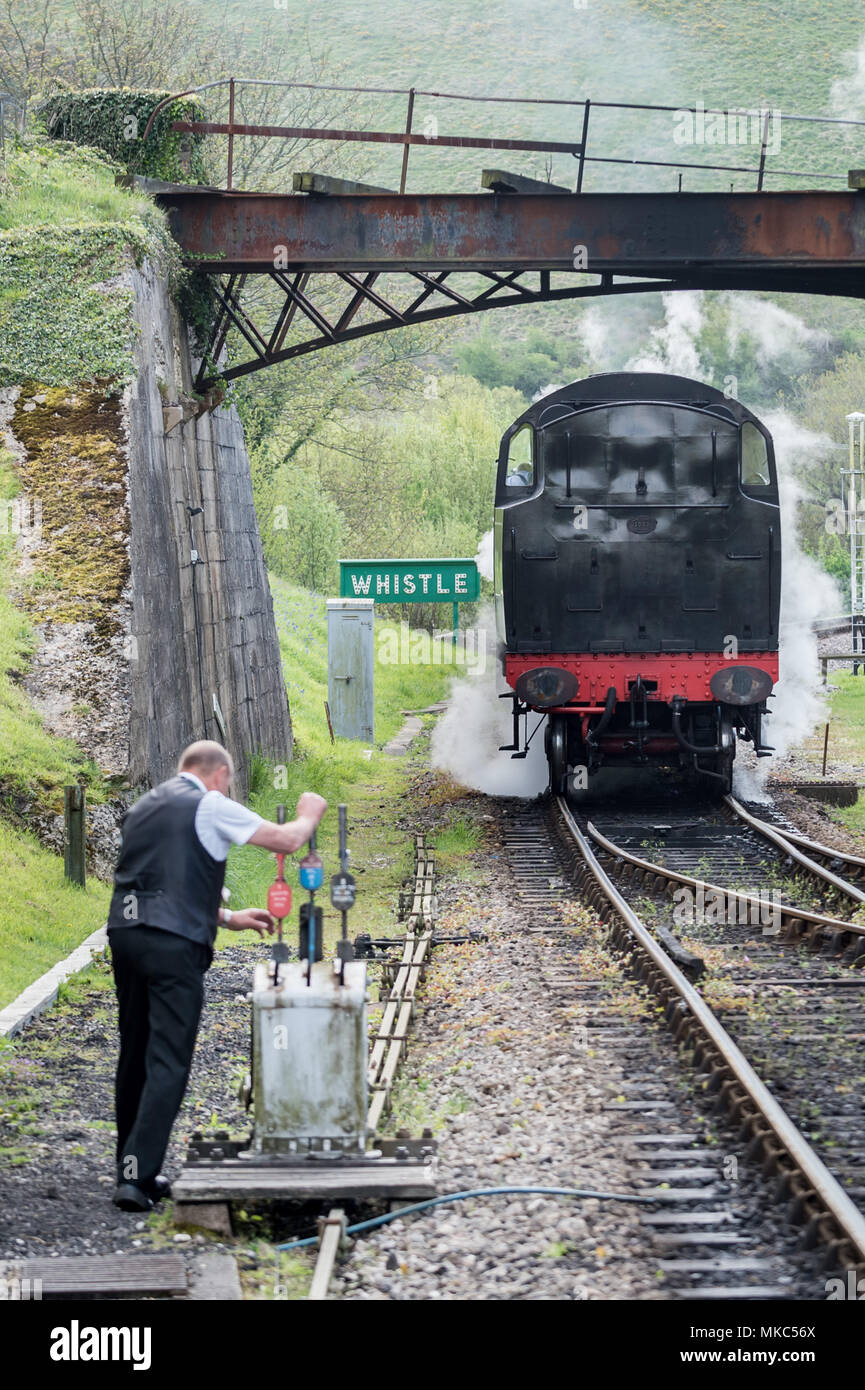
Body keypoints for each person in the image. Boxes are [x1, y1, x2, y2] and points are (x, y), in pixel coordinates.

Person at [106, 739, 327, 1212]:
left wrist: (226, 917)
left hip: (126, 936)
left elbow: (161, 879)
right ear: (219, 775)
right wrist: (309, 812)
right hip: (174, 947)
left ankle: (131, 1169)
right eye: (228, 782)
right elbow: (286, 840)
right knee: (168, 1056)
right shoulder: (209, 804)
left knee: (136, 1051)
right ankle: (137, 1179)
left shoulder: (144, 805)